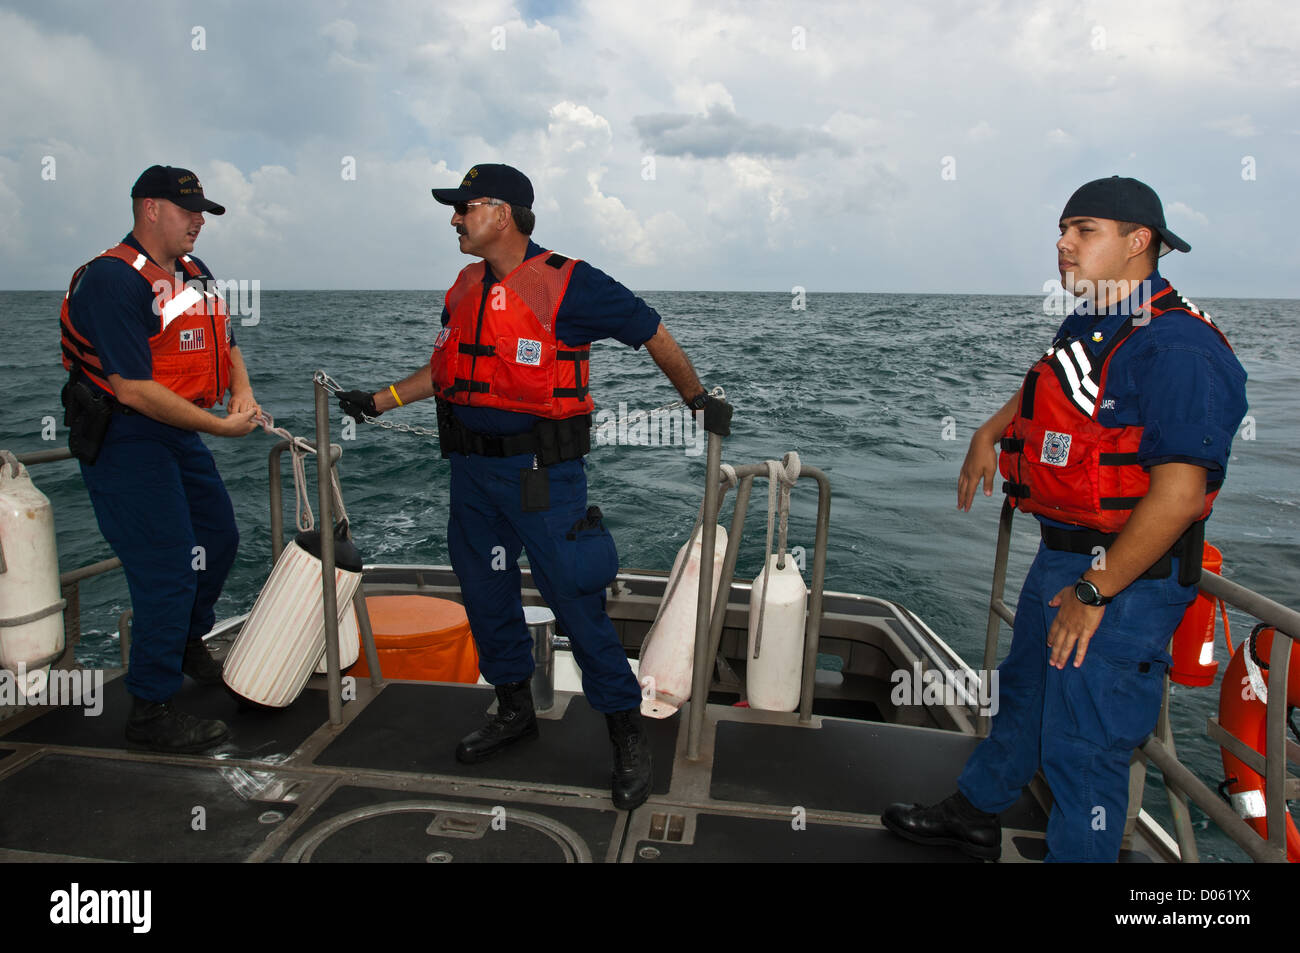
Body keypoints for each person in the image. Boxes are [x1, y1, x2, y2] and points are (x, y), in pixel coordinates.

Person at [336, 163, 729, 810]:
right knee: (486, 595)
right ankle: (514, 706)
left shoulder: (571, 284)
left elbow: (650, 329)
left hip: (542, 479)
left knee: (575, 599)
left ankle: (627, 732)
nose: (455, 218)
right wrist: (377, 401)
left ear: (504, 212)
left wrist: (695, 398)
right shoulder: (463, 286)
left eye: (464, 207)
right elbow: (446, 371)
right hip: (471, 476)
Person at [883, 176, 1248, 862]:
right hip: (1063, 555)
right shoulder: (1095, 321)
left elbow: (1178, 497)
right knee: (1025, 694)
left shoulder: (1180, 349)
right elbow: (1052, 389)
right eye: (1062, 229)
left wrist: (1093, 591)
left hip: (1124, 579)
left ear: (1139, 242)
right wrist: (988, 432)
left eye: (1083, 229)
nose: (1063, 243)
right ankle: (977, 809)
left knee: (1086, 747)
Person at [59, 165, 261, 752]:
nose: (199, 220)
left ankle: (186, 641)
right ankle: (150, 709)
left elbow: (226, 342)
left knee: (219, 538)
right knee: (169, 565)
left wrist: (240, 391)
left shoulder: (195, 273)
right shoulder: (111, 280)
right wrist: (223, 429)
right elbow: (132, 388)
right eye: (187, 209)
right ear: (149, 209)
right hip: (128, 438)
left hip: (178, 432)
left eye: (203, 211)